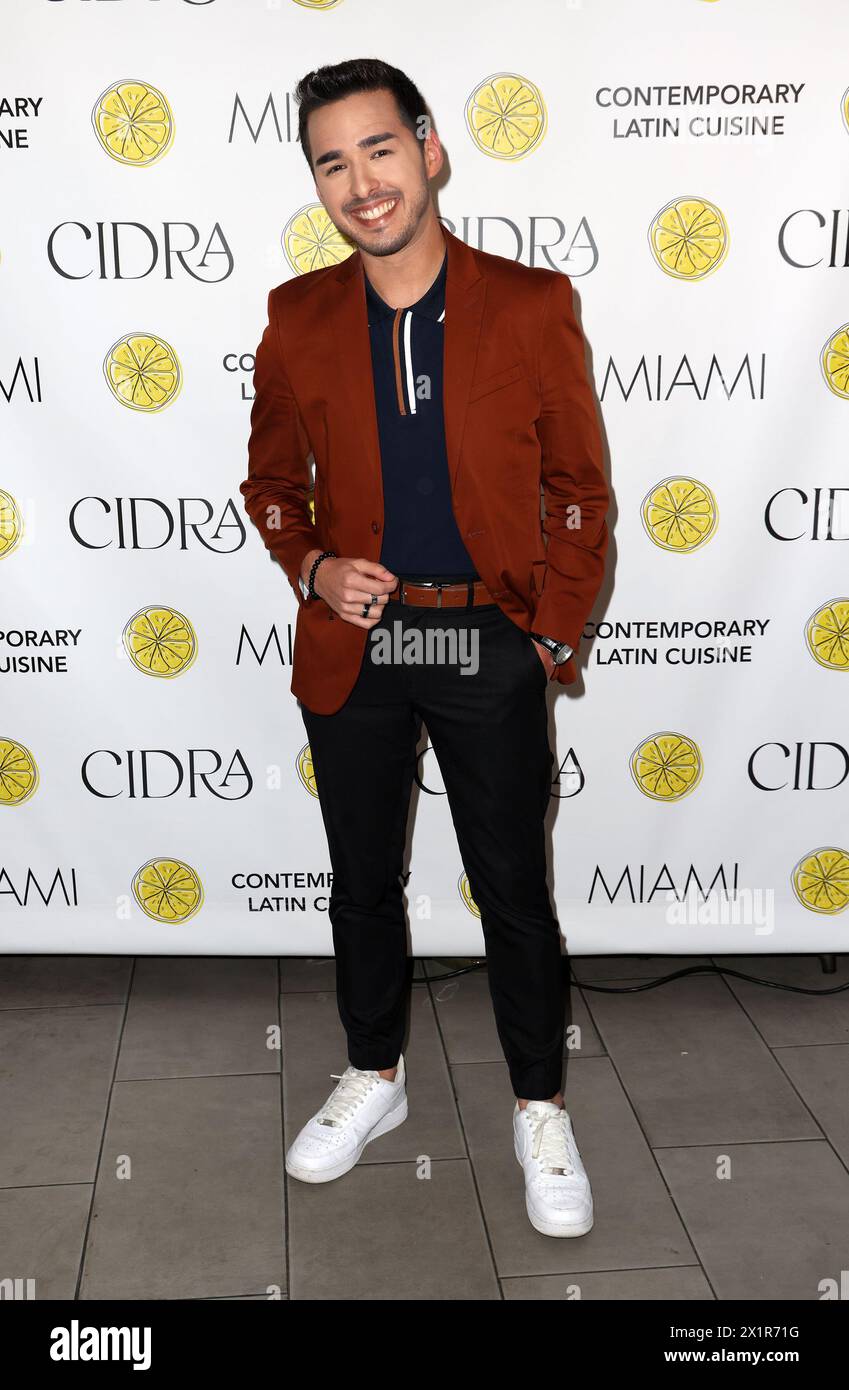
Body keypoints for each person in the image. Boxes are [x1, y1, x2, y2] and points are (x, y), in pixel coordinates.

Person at [239, 58, 610, 1238]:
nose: (362, 182)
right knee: (361, 880)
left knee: (512, 886)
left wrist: (549, 627)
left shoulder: (530, 300)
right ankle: (375, 1075)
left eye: (380, 150)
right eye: (332, 163)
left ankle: (540, 1105)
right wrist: (310, 566)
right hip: (357, 648)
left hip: (485, 639)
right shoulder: (296, 316)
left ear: (431, 149)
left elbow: (578, 490)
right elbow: (269, 483)